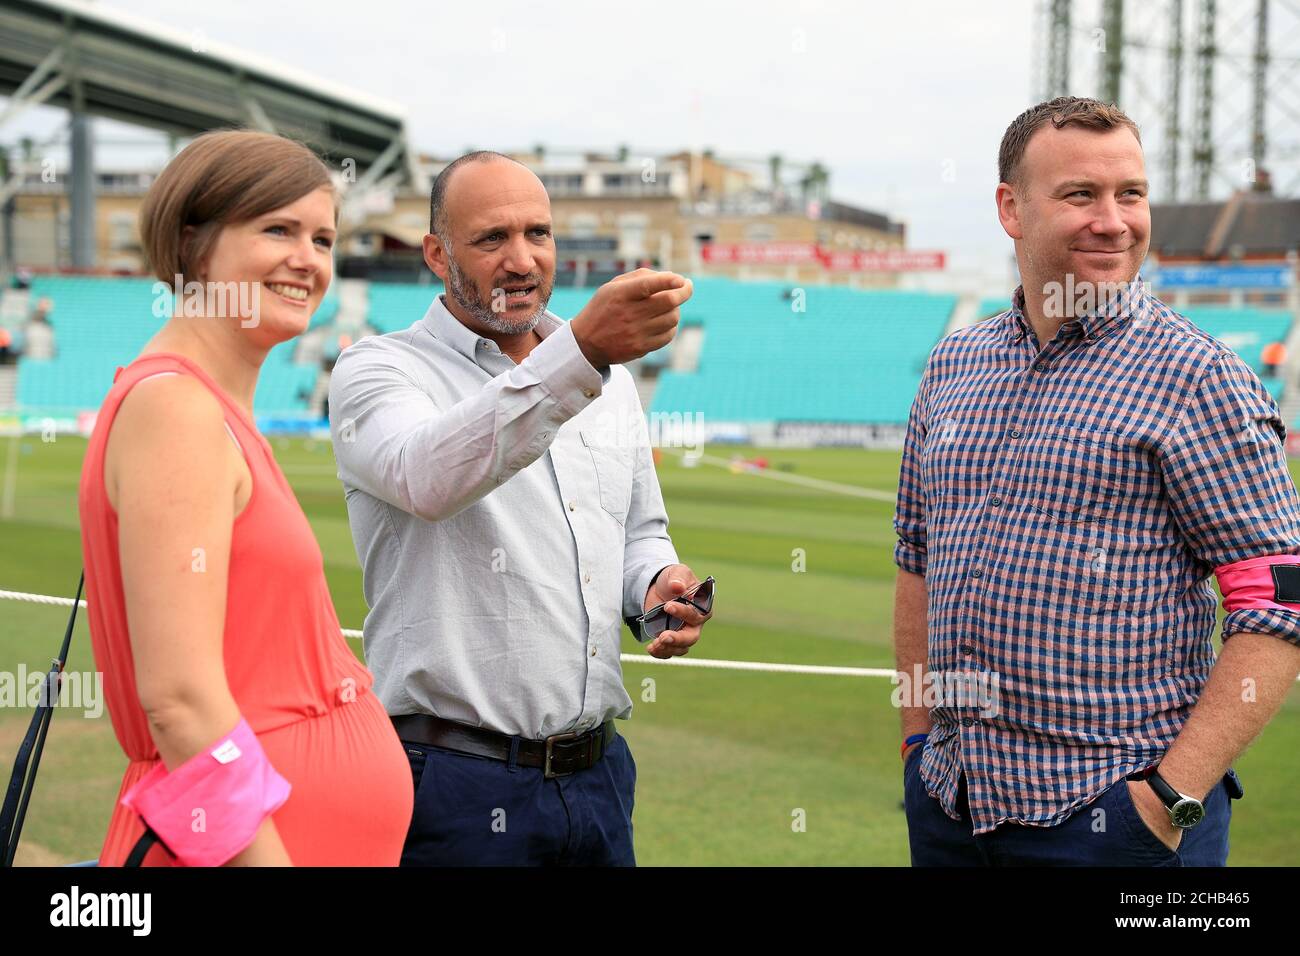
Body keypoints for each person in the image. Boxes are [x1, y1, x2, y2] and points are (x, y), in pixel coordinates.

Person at [893, 97, 1300, 866]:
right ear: (1012, 209)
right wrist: (918, 744)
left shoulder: (1199, 378)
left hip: (1116, 820)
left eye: (1132, 195)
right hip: (951, 807)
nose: (1113, 220)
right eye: (1081, 194)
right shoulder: (953, 365)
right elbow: (916, 559)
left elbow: (1277, 602)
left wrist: (1168, 799)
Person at [328, 151, 712, 866]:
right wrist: (583, 351)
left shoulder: (609, 380)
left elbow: (639, 533)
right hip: (454, 784)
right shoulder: (378, 370)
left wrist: (654, 584)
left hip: (597, 778)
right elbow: (428, 478)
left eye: (538, 233)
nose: (521, 258)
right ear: (438, 255)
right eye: (491, 239)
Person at [78, 129, 412, 866]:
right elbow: (180, 701)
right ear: (195, 247)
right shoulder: (178, 410)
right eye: (278, 230)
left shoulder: (211, 410)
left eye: (323, 238)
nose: (308, 260)